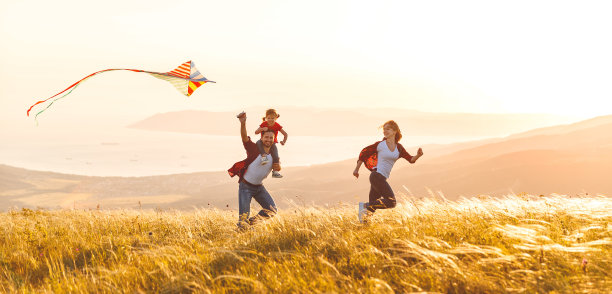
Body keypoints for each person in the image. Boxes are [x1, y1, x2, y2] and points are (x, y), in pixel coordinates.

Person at [353, 120, 423, 223]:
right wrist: (356, 169)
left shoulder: (399, 148)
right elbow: (364, 153)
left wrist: (418, 155)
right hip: (376, 176)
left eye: (388, 129)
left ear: (395, 131)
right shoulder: (380, 145)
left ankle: (363, 226)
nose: (385, 131)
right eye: (384, 129)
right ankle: (364, 206)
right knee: (391, 202)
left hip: (380, 177)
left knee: (372, 208)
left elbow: (411, 160)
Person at [228, 111, 282, 229]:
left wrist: (278, 167)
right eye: (266, 137)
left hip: (259, 187)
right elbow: (244, 138)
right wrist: (243, 123)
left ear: (274, 139)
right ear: (261, 137)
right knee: (243, 219)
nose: (268, 139)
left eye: (271, 138)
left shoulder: (274, 152)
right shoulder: (254, 149)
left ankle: (250, 224)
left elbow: (277, 167)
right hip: (245, 187)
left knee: (271, 210)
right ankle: (243, 228)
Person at [254, 109, 288, 178]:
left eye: (272, 118)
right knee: (258, 143)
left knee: (276, 156)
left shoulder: (277, 125)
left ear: (276, 118)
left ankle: (275, 172)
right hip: (263, 141)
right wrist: (262, 129)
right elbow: (256, 132)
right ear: (266, 118)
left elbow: (285, 134)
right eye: (268, 118)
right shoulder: (264, 124)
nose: (270, 119)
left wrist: (283, 141)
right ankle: (264, 158)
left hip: (272, 143)